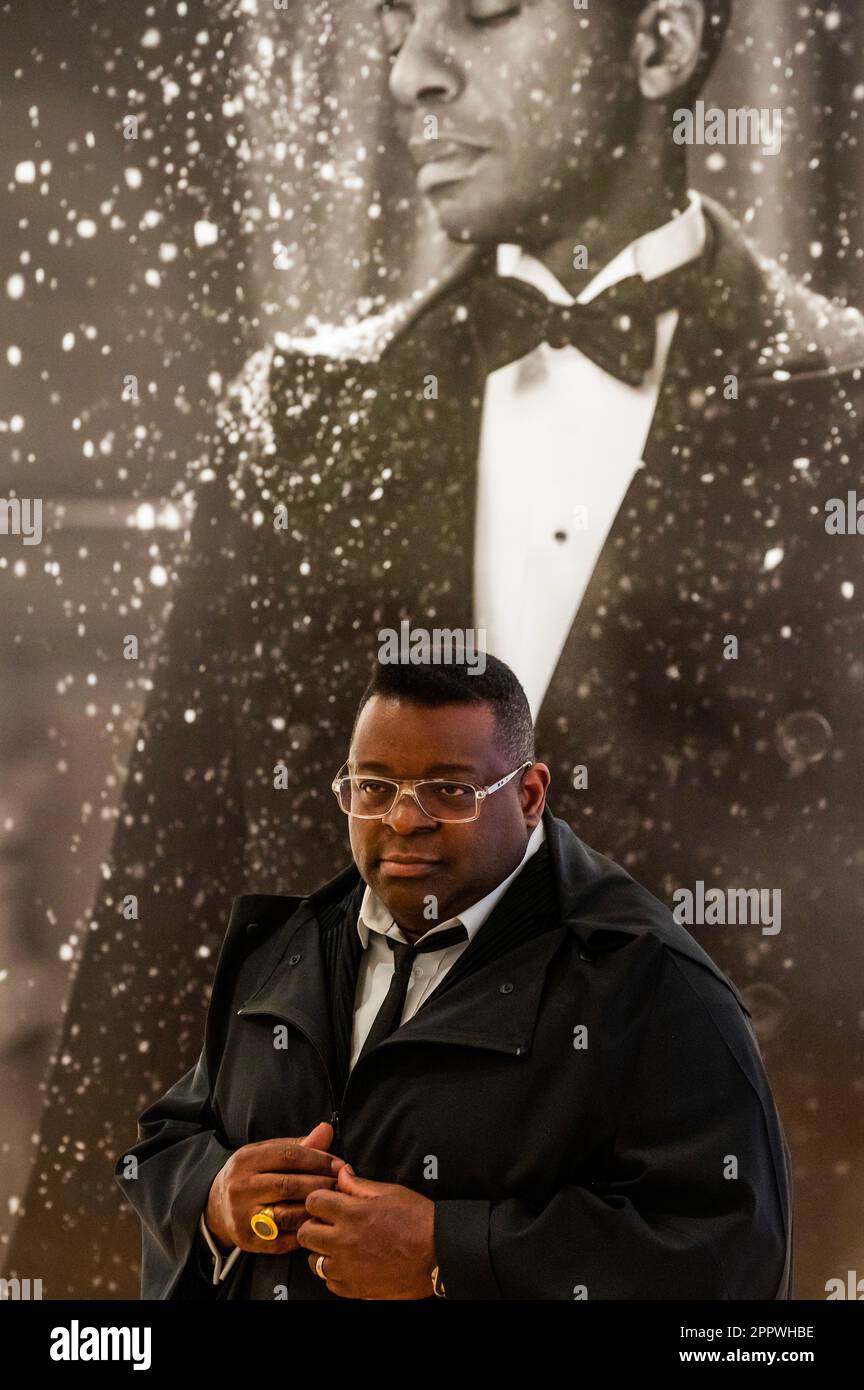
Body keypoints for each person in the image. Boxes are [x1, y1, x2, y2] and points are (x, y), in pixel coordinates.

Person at [10, 0, 862, 1297]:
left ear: (663, 42)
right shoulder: (293, 423)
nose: (411, 71)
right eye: (400, 21)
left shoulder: (844, 418)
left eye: (478, 11)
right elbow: (164, 957)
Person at [115, 654, 792, 1300]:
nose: (405, 820)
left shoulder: (653, 985)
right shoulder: (282, 947)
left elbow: (729, 1258)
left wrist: (450, 1255)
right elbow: (168, 1143)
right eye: (374, 788)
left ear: (530, 795)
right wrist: (215, 1194)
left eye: (450, 791)